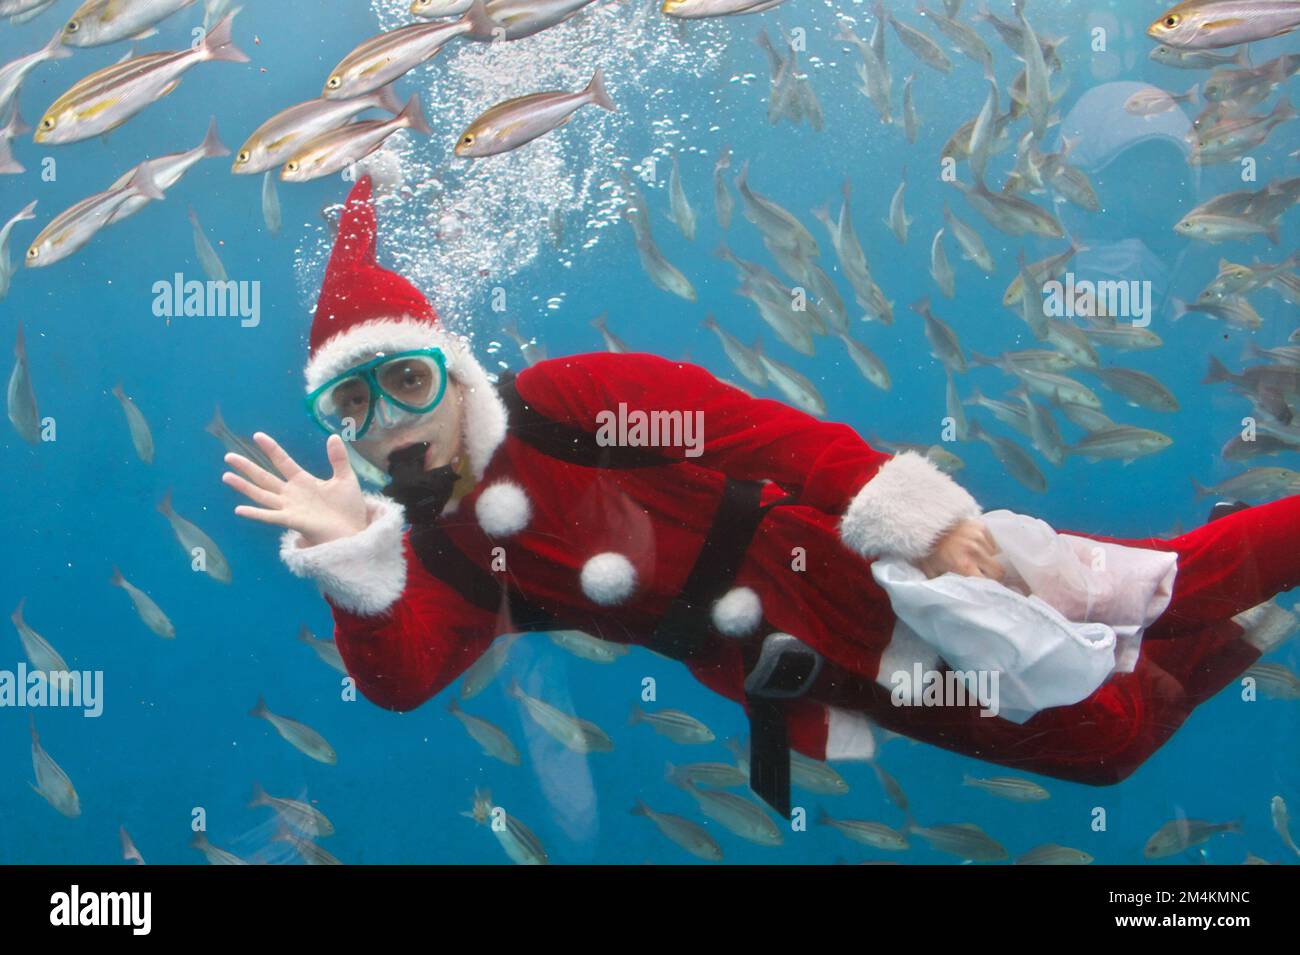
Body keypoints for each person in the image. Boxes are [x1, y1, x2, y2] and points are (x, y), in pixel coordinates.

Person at [222, 177, 1299, 815]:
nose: (394, 420)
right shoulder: (445, 558)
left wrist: (925, 523)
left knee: (1164, 587)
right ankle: (1243, 626)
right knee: (1104, 746)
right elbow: (405, 681)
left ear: (452, 367)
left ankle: (1231, 604)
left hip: (844, 565)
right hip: (780, 671)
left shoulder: (565, 399)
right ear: (340, 431)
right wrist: (350, 571)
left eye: (406, 379)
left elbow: (762, 433)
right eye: (354, 404)